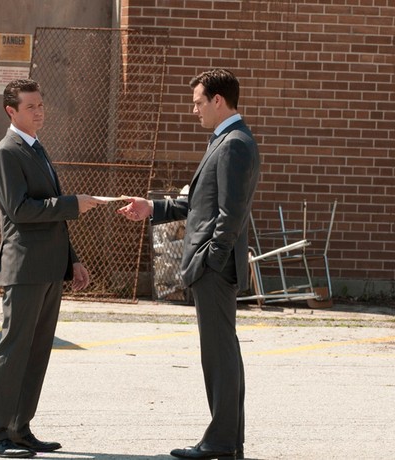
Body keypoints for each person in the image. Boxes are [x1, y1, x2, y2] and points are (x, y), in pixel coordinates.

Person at [118, 69, 260, 460]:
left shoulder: (234, 144)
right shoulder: (227, 140)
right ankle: (228, 442)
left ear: (218, 100)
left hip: (214, 268)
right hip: (213, 266)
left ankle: (221, 442)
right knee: (221, 354)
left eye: (198, 102)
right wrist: (152, 207)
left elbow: (230, 215)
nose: (193, 109)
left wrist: (210, 259)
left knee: (219, 356)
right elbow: (199, 204)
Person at [0, 78, 103, 458]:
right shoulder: (6, 153)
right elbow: (20, 210)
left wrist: (72, 259)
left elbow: (51, 216)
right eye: (30, 107)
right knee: (14, 350)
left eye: (41, 105)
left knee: (36, 352)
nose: (39, 112)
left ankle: (19, 429)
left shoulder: (37, 148)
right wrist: (72, 203)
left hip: (49, 267)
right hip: (24, 267)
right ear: (11, 111)